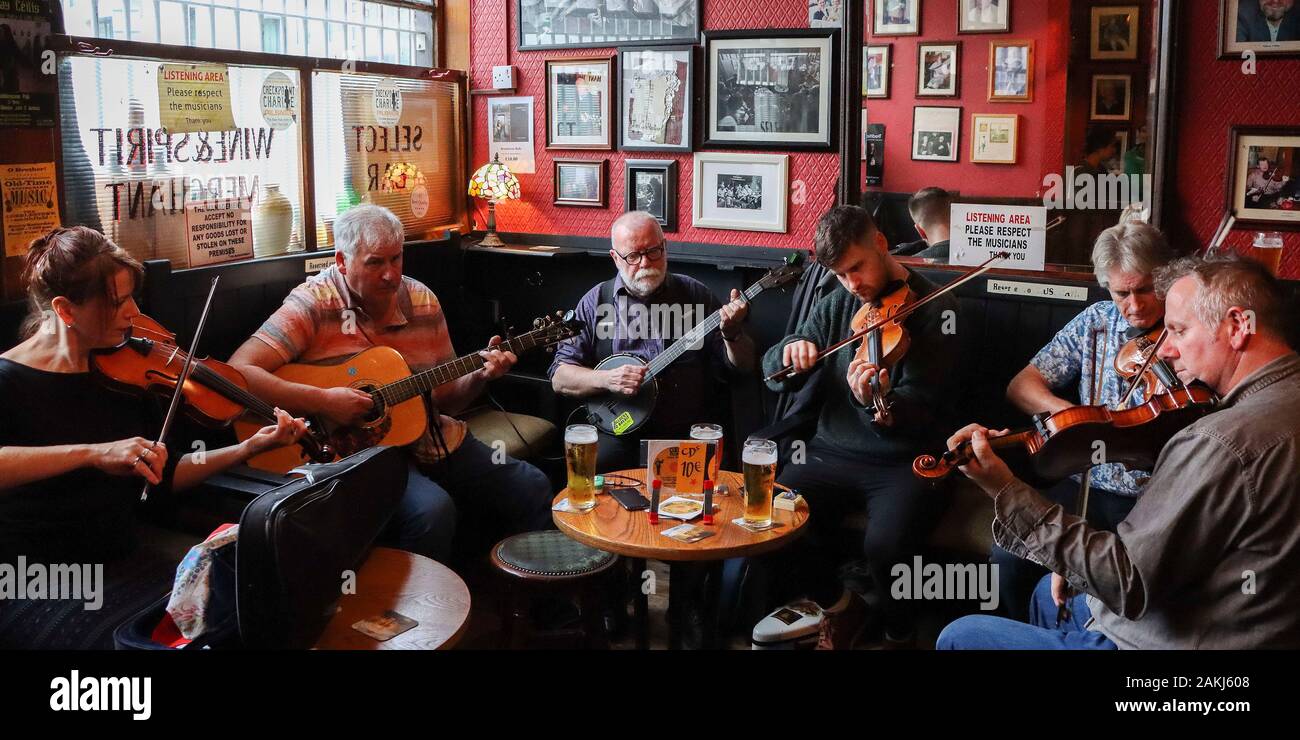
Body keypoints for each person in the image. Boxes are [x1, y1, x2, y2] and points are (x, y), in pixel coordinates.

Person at [938, 254, 1300, 649]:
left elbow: (1129, 584)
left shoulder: (1220, 440)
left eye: (1177, 330)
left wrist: (1003, 488)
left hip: (1182, 638)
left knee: (959, 635)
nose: (1166, 350)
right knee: (1047, 592)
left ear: (1237, 326)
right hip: (1238, 605)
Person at [0, 226, 308, 649]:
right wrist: (92, 454)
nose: (132, 313)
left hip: (125, 559)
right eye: (116, 301)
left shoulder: (123, 373)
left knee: (245, 614)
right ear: (66, 310)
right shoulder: (9, 379)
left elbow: (160, 476)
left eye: (131, 297)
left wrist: (247, 447)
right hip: (39, 578)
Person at [229, 205, 553, 563]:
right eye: (375, 263)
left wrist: (479, 376)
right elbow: (239, 373)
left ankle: (543, 603)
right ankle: (410, 615)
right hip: (351, 454)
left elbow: (446, 401)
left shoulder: (421, 301)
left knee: (531, 485)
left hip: (429, 438)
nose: (390, 275)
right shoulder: (313, 303)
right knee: (431, 512)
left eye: (396, 259)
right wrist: (324, 401)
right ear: (341, 260)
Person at [761, 205, 959, 649]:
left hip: (906, 459)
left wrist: (877, 402)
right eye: (840, 275)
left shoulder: (937, 308)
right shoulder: (837, 303)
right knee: (772, 516)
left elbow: (923, 410)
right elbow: (771, 366)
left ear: (881, 244)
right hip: (833, 451)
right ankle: (841, 607)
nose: (853, 284)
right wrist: (793, 350)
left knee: (886, 545)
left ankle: (899, 630)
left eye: (857, 268)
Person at [994, 222, 1179, 621]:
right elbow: (1020, 385)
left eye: (1145, 289)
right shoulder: (1095, 321)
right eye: (1121, 293)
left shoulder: (1187, 329)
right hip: (1088, 480)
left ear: (1165, 278)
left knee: (1124, 584)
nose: (1134, 305)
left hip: (1155, 494)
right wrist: (1064, 411)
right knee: (1008, 556)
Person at [549, 211, 754, 471]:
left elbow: (743, 366)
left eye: (653, 251)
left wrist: (732, 333)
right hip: (618, 430)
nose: (645, 262)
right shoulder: (596, 301)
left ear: (665, 248)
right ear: (615, 258)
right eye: (633, 256)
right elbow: (560, 377)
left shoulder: (695, 295)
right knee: (595, 475)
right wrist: (606, 379)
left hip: (684, 432)